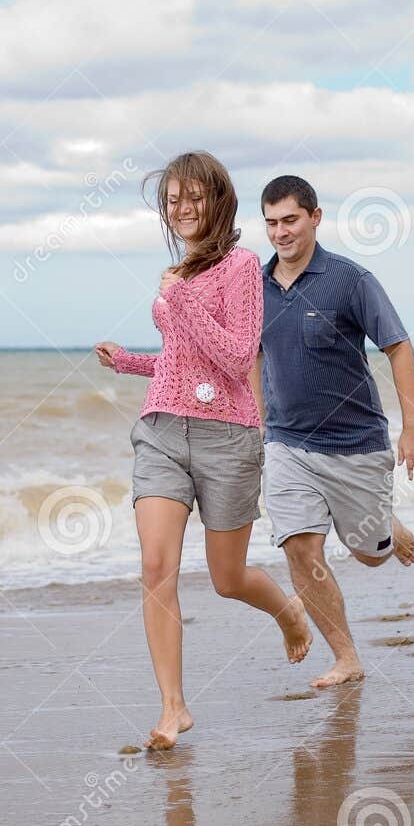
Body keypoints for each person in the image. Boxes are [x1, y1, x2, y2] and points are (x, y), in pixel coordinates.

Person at [95, 152, 311, 749]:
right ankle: (172, 708)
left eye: (194, 197)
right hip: (162, 430)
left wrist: (181, 299)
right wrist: (132, 361)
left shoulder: (241, 267)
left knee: (227, 577)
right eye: (173, 201)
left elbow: (238, 357)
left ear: (218, 201)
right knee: (156, 568)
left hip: (227, 438)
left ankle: (288, 611)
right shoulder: (178, 273)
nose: (183, 209)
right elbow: (182, 361)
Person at [250, 175, 414, 688]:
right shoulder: (255, 288)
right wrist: (260, 427)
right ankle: (346, 657)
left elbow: (398, 346)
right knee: (299, 549)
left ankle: (385, 527)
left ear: (315, 218)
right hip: (287, 444)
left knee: (368, 556)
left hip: (355, 446)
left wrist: (413, 428)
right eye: (271, 223)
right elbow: (254, 357)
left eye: (290, 220)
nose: (280, 233)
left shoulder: (351, 280)